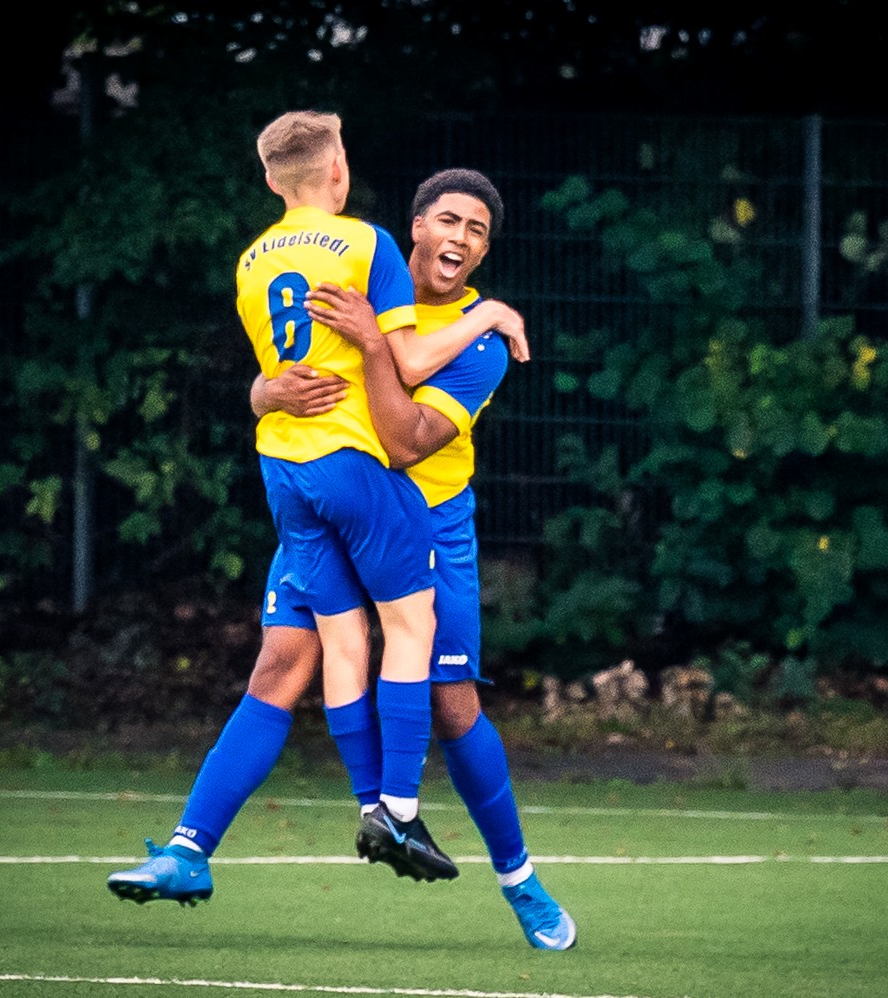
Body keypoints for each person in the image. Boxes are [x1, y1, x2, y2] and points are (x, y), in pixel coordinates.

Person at [108, 167, 576, 951]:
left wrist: (372, 344)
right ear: (415, 227)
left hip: (425, 521)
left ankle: (518, 879)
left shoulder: (483, 345)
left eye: (478, 233)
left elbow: (403, 441)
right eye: (449, 221)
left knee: (454, 702)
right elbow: (272, 383)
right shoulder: (350, 272)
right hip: (332, 506)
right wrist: (265, 396)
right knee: (278, 667)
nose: (460, 239)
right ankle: (188, 851)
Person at [107, 109, 461, 896]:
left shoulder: (252, 261)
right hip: (355, 467)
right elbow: (400, 366)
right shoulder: (368, 244)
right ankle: (395, 807)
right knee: (409, 625)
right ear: (339, 172)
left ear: (271, 180)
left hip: (284, 474)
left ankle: (214, 847)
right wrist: (484, 323)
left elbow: (278, 373)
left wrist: (265, 389)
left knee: (336, 644)